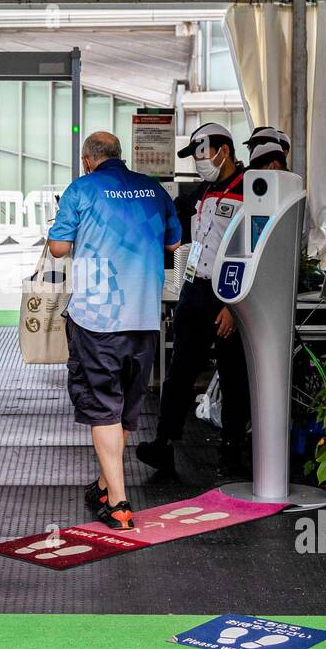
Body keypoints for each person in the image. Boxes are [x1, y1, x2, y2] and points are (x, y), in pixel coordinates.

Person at [48, 131, 182, 530]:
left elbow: (57, 248)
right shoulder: (154, 190)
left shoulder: (82, 189)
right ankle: (107, 485)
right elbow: (174, 244)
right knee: (124, 409)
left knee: (103, 406)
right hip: (143, 315)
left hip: (97, 317)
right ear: (119, 156)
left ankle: (120, 503)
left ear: (88, 159)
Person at [138, 123, 252, 481]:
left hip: (229, 294)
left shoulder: (251, 191)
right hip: (195, 290)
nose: (200, 162)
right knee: (178, 373)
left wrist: (235, 306)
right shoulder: (203, 192)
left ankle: (232, 453)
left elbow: (254, 253)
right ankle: (163, 444)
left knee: (234, 377)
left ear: (224, 151)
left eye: (202, 153)